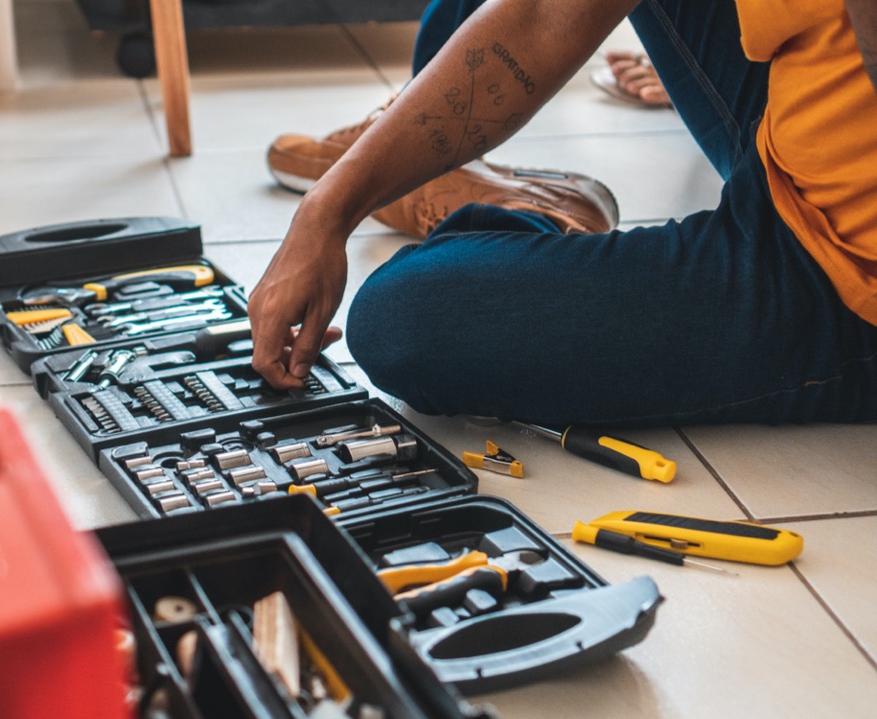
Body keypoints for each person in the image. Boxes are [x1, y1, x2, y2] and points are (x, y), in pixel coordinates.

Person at [247, 0, 877, 427]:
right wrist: (324, 214)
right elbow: (542, 13)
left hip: (844, 278)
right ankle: (414, 143)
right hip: (800, 136)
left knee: (403, 321)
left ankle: (532, 223)